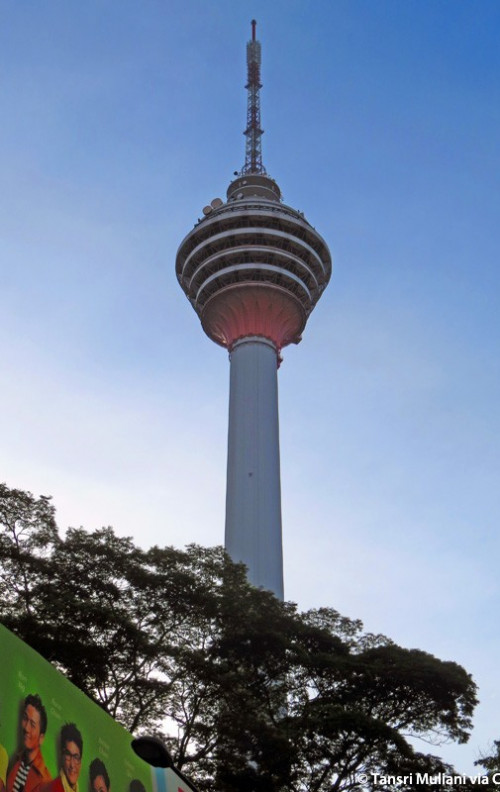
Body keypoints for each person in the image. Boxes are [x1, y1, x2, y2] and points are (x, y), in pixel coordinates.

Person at [7, 694, 51, 792]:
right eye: (25, 718)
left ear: (41, 738)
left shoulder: (45, 780)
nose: (26, 728)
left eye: (33, 724)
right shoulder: (15, 759)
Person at [42, 725, 82, 792]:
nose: (72, 765)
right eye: (68, 755)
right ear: (62, 757)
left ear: (80, 762)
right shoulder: (51, 788)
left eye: (76, 757)